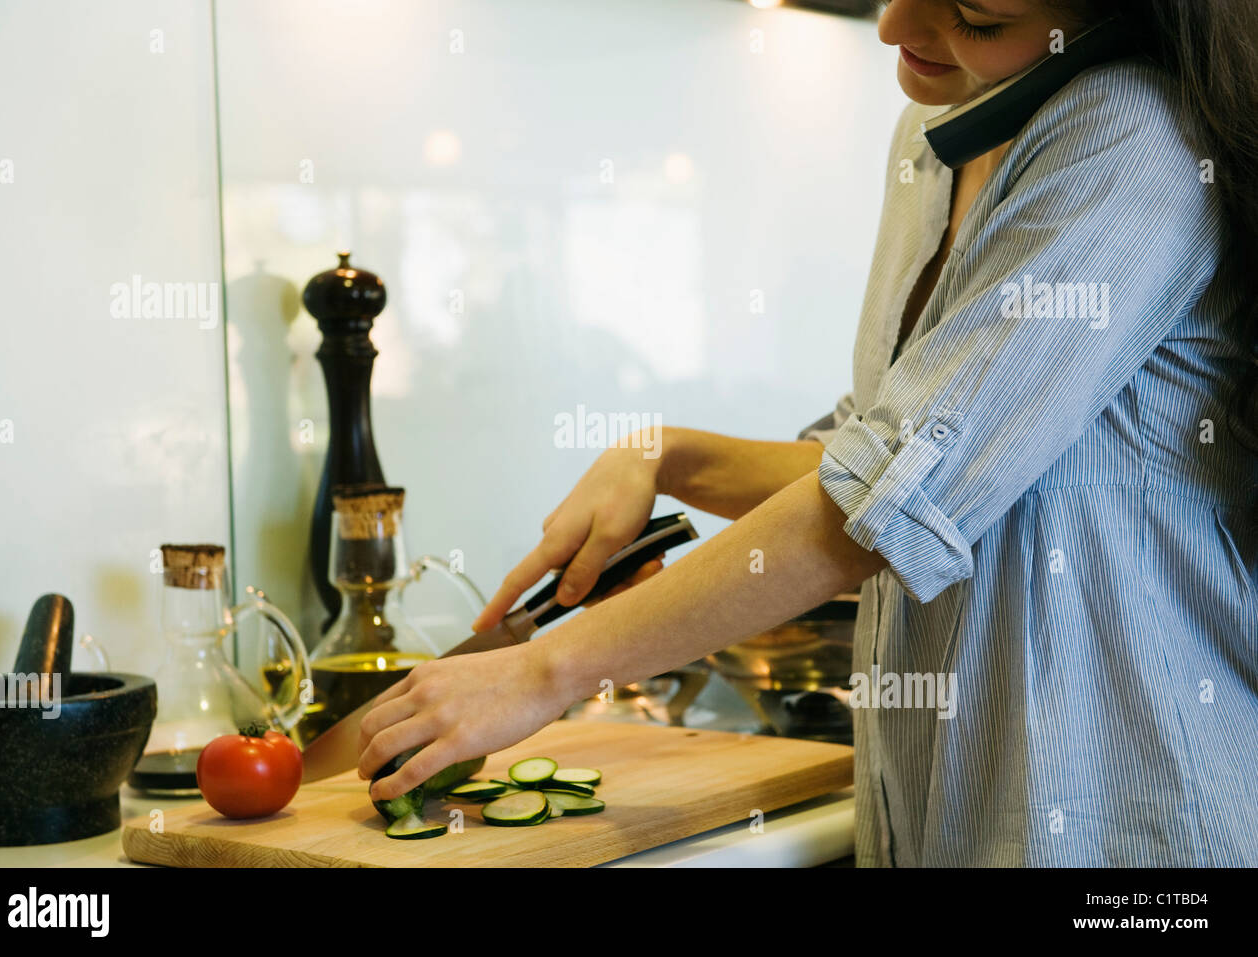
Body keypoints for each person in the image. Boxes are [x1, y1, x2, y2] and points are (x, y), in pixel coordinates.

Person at [358, 0, 1258, 866]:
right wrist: (665, 455)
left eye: (977, 17)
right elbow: (884, 448)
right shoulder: (937, 132)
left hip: (1135, 828)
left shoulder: (1131, 140)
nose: (897, 28)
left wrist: (547, 670)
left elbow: (888, 500)